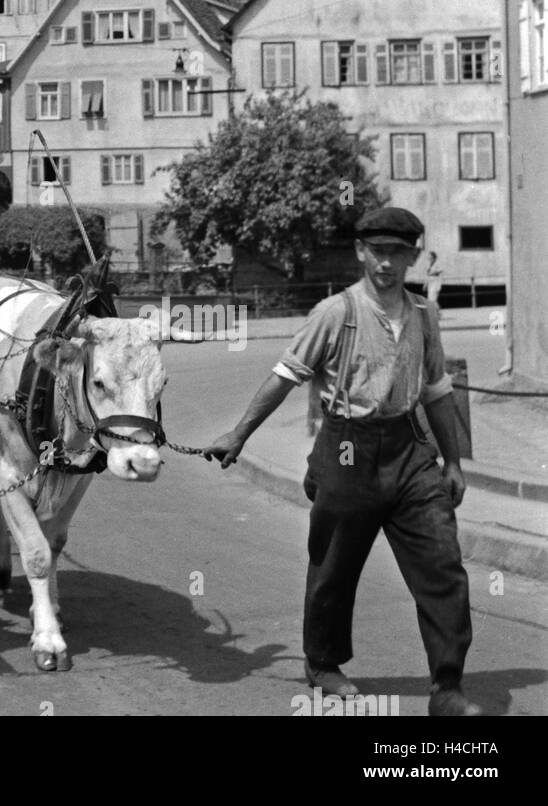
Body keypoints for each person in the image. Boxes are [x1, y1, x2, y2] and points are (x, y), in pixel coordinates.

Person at [204, 207, 480, 718]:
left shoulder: (423, 315)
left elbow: (438, 391)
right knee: (334, 564)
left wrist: (453, 463)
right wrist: (239, 435)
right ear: (360, 252)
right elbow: (285, 375)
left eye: (397, 253)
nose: (386, 263)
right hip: (347, 447)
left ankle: (447, 687)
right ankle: (323, 663)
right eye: (377, 252)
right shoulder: (337, 312)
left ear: (413, 256)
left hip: (409, 449)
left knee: (442, 563)